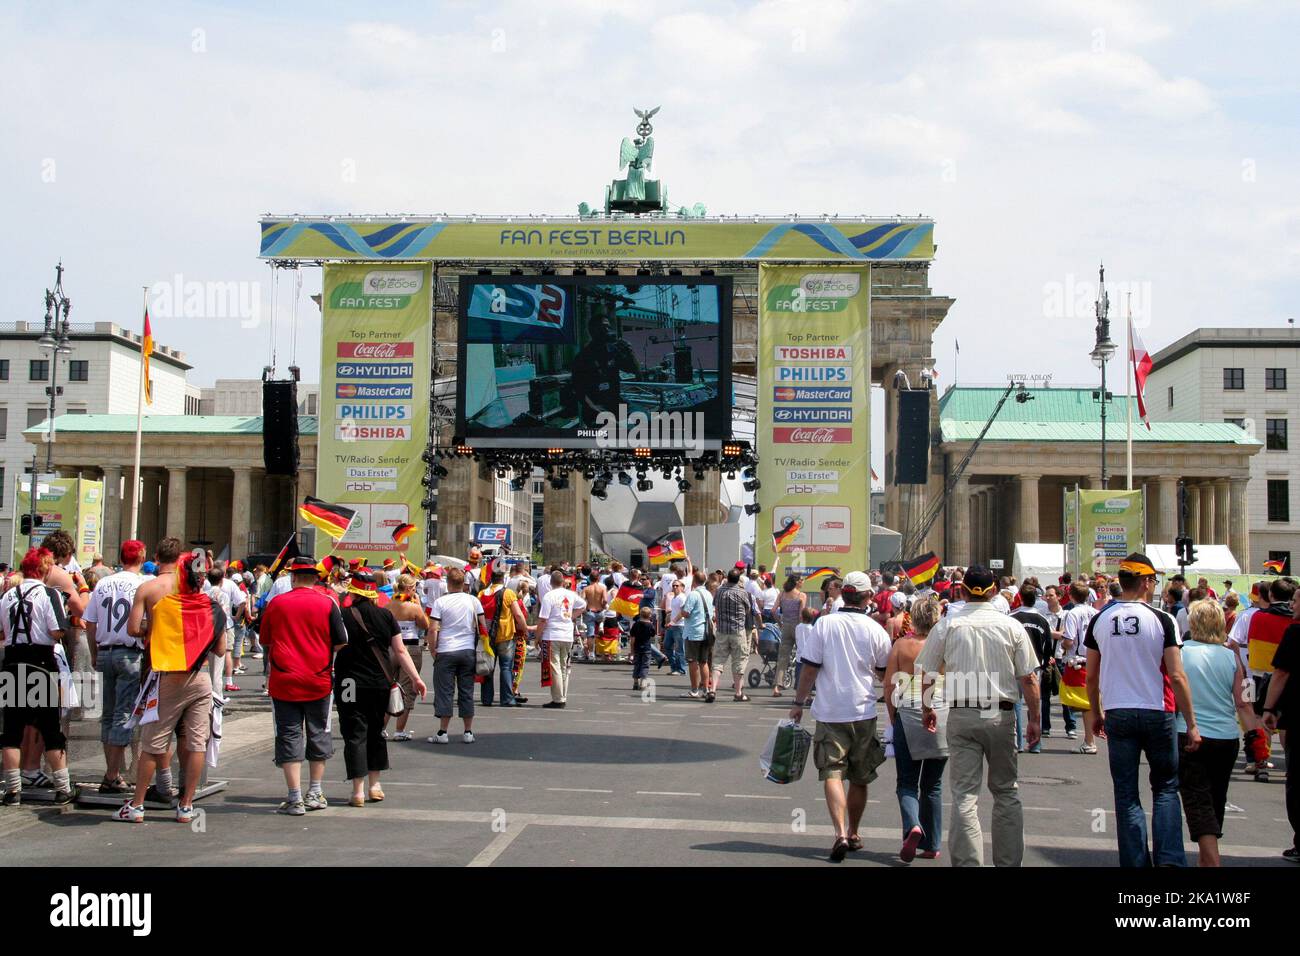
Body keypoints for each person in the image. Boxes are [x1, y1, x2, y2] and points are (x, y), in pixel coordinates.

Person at [918, 564, 1041, 867]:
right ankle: (1008, 862)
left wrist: (927, 706)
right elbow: (1028, 679)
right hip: (1000, 714)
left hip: (963, 712)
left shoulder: (948, 625)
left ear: (960, 590)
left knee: (964, 795)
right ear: (995, 591)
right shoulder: (1011, 626)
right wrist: (1036, 719)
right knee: (1006, 792)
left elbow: (927, 672)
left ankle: (968, 863)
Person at [1084, 552, 1200, 867]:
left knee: (1126, 792)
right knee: (1165, 788)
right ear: (1146, 582)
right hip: (1158, 709)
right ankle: (1171, 861)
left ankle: (1135, 863)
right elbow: (1177, 675)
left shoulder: (1100, 619)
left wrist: (1095, 712)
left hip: (1118, 710)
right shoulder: (1162, 619)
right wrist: (1190, 722)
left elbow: (1091, 676)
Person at [118, 545, 227, 823]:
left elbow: (144, 633)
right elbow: (220, 649)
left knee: (153, 741)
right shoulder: (212, 607)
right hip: (200, 677)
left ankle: (138, 805)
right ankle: (187, 805)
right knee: (195, 742)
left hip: (168, 676)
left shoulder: (164, 604)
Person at [788, 572, 892, 861]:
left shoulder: (825, 624)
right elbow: (885, 673)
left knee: (832, 772)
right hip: (863, 710)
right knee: (860, 776)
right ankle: (855, 831)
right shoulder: (875, 630)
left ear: (842, 594)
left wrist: (798, 702)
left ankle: (840, 834)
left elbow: (810, 669)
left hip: (830, 710)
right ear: (868, 597)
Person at [259, 556, 348, 815]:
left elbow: (265, 639)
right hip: (318, 677)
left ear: (293, 577)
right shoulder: (328, 603)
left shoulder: (278, 603)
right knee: (319, 730)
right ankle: (315, 791)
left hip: (285, 678)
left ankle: (295, 796)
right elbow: (342, 640)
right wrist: (323, 654)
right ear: (315, 577)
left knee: (289, 733)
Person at [333, 570, 425, 805]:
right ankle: (375, 785)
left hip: (348, 682)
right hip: (378, 681)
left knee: (354, 732)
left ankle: (357, 791)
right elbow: (401, 651)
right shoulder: (385, 616)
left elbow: (333, 647)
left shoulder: (342, 615)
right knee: (376, 730)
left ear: (352, 593)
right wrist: (416, 678)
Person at [1177, 600, 1256, 866]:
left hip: (1190, 731)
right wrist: (1255, 734)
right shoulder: (1231, 656)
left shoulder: (1181, 652)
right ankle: (1206, 858)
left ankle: (1211, 861)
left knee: (1196, 797)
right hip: (1226, 736)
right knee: (1216, 796)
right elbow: (1244, 700)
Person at [0, 548, 74, 806]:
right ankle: (63, 788)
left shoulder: (8, 595)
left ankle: (12, 790)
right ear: (44, 569)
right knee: (50, 728)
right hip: (41, 662)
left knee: (11, 729)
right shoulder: (49, 594)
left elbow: (1, 633)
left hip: (12, 662)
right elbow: (57, 632)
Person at [884, 593, 947, 861]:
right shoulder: (944, 645)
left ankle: (913, 825)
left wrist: (892, 715)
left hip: (908, 711)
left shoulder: (901, 646)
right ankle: (932, 843)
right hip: (940, 711)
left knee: (907, 781)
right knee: (933, 785)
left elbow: (888, 685)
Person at [83, 539, 147, 794]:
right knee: (123, 714)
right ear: (141, 557)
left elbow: (90, 622)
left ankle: (112, 771)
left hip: (105, 650)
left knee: (107, 715)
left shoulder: (103, 583)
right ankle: (112, 774)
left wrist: (94, 652)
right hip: (130, 652)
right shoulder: (141, 584)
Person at [1260, 596, 1300, 863]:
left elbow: (1281, 673)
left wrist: (1268, 708)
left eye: (1297, 601)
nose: (1292, 605)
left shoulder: (1296, 632)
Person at [428, 567, 485, 741]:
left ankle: (443, 732)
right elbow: (482, 624)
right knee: (466, 690)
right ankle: (468, 731)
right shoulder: (473, 601)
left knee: (445, 691)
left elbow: (433, 629)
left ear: (448, 583)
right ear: (464, 584)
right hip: (467, 649)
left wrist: (433, 649)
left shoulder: (440, 602)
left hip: (446, 649)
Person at [1010, 584, 1055, 755]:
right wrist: (1043, 665)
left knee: (1016, 705)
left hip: (1015, 666)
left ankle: (1018, 742)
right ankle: (1035, 743)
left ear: (1020, 597)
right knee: (1035, 704)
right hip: (1035, 666)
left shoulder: (1012, 617)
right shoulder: (1042, 620)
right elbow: (1048, 647)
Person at [387, 574, 431, 738]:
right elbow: (424, 624)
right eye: (413, 588)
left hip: (390, 648)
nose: (415, 591)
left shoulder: (389, 603)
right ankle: (399, 730)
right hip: (410, 647)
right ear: (408, 588)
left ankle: (382, 728)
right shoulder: (413, 606)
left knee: (388, 688)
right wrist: (418, 604)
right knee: (407, 689)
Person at [533, 570, 586, 709]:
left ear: (551, 583)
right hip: (567, 635)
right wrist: (571, 616)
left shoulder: (548, 596)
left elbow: (543, 619)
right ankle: (563, 695)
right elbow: (583, 605)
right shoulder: (571, 594)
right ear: (563, 582)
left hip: (552, 634)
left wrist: (537, 637)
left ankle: (558, 698)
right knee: (564, 667)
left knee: (554, 666)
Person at [1060, 582, 1099, 752]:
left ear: (1071, 595)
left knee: (1084, 704)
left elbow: (1069, 641)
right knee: (1093, 700)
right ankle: (1092, 738)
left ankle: (1090, 741)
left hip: (1078, 661)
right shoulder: (1096, 613)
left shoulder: (1072, 613)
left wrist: (1061, 642)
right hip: (1096, 659)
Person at [479, 568, 526, 707]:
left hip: (487, 636)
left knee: (488, 667)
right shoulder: (508, 593)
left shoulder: (482, 594)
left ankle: (486, 699)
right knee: (506, 667)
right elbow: (518, 614)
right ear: (503, 579)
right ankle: (507, 699)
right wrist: (524, 628)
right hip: (505, 635)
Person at [710, 568, 755, 702]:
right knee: (739, 662)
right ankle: (738, 693)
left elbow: (715, 605)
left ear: (727, 578)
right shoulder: (742, 593)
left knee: (718, 661)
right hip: (737, 631)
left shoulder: (719, 591)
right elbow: (747, 610)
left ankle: (712, 691)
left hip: (722, 630)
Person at [675, 569, 714, 701]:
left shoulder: (693, 594)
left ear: (694, 581)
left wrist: (681, 610)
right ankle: (706, 689)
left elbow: (686, 613)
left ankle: (694, 690)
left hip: (693, 632)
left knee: (692, 661)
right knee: (704, 662)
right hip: (706, 631)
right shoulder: (708, 594)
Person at [773, 576, 806, 697]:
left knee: (783, 658)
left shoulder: (782, 594)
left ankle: (777, 686)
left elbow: (773, 610)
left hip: (785, 626)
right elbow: (801, 615)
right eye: (802, 580)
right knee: (802, 655)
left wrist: (780, 622)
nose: (803, 582)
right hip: (797, 626)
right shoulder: (801, 595)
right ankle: (802, 686)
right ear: (797, 582)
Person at [630, 606, 657, 691]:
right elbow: (653, 634)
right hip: (646, 648)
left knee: (637, 665)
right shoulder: (650, 625)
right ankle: (643, 683)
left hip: (637, 648)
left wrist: (632, 651)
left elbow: (632, 639)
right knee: (645, 666)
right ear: (649, 615)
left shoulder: (635, 625)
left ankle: (635, 683)